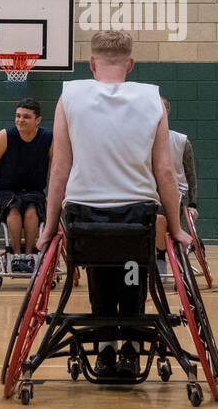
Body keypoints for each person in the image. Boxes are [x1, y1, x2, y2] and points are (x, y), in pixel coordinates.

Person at [36, 30, 191, 379]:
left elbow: (59, 168)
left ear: (92, 63)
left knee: (100, 268)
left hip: (83, 217)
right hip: (136, 216)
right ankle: (131, 351)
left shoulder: (69, 95)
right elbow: (164, 171)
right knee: (134, 271)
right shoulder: (151, 98)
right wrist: (178, 228)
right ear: (130, 64)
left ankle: (105, 349)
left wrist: (48, 228)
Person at [0, 99, 52, 274]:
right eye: (18, 116)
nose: (20, 120)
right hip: (7, 191)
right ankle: (15, 256)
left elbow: (57, 167)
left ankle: (28, 257)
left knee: (31, 213)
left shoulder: (48, 138)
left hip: (34, 191)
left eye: (26, 117)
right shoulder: (5, 136)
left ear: (38, 120)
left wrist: (52, 194)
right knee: (13, 212)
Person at [154, 97, 199, 280]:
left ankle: (161, 255)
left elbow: (191, 175)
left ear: (167, 113)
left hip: (175, 193)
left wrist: (193, 203)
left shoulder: (181, 141)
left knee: (158, 217)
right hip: (148, 192)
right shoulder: (141, 139)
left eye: (162, 109)